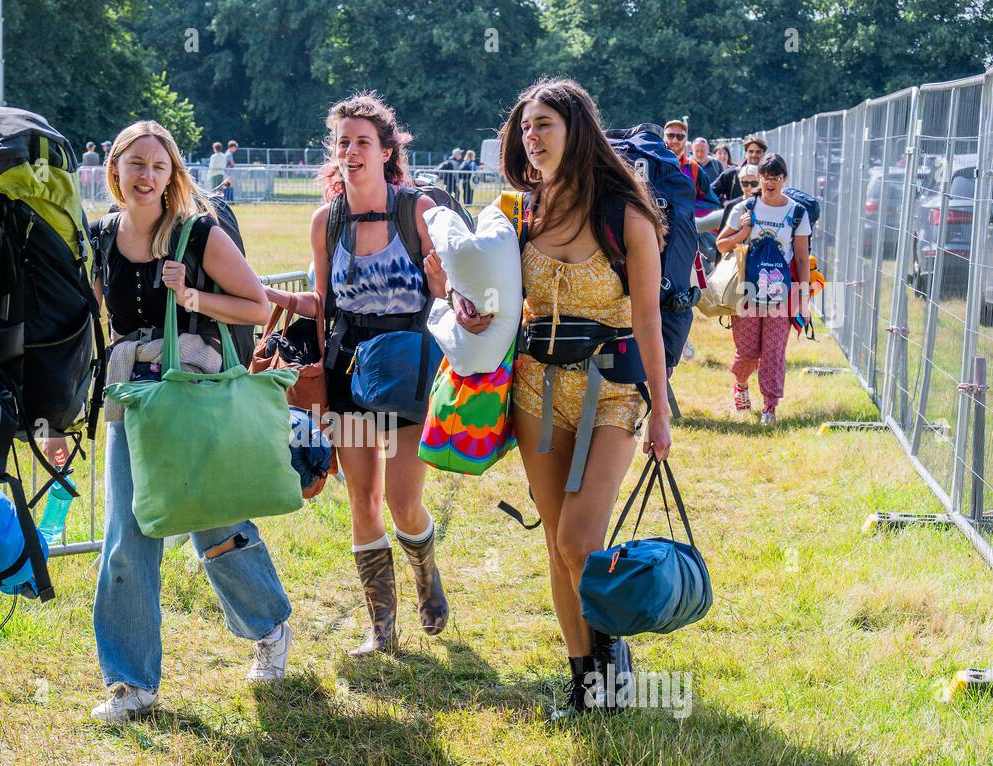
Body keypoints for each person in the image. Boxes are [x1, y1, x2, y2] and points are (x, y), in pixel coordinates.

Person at [67, 120, 293, 722]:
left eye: (158, 166)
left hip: (194, 393)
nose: (146, 176)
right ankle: (131, 684)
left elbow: (257, 305)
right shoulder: (99, 239)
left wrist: (191, 296)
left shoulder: (198, 235)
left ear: (173, 176)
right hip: (132, 398)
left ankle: (269, 626)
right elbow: (92, 318)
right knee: (127, 534)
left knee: (210, 522)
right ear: (114, 169)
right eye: (134, 164)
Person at [483, 78, 671, 715]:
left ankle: (611, 657)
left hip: (612, 390)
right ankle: (585, 683)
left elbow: (648, 320)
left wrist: (663, 414)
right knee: (554, 542)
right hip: (536, 389)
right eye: (525, 128)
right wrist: (471, 307)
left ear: (577, 131)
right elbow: (499, 295)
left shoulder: (627, 214)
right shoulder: (519, 211)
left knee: (578, 541)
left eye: (544, 126)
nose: (531, 139)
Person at [265, 91, 451, 656]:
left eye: (362, 142)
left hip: (407, 366)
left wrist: (444, 280)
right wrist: (268, 297)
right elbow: (324, 303)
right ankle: (383, 630)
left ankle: (426, 574)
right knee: (362, 501)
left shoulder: (415, 210)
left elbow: (444, 296)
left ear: (386, 149)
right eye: (342, 142)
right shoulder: (327, 221)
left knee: (400, 500)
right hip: (348, 370)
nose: (351, 151)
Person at [715, 153, 810, 425]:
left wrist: (801, 294)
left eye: (776, 179)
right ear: (759, 178)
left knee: (774, 351)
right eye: (766, 178)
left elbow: (802, 257)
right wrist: (743, 233)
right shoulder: (745, 208)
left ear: (785, 179)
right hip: (746, 291)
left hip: (780, 293)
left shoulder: (797, 213)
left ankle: (770, 405)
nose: (770, 184)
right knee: (747, 351)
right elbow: (721, 246)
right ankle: (741, 384)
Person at [712, 135, 766, 204]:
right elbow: (710, 191)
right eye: (751, 151)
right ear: (745, 153)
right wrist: (724, 202)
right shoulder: (733, 174)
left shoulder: (768, 176)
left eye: (758, 152)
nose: (754, 155)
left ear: (763, 154)